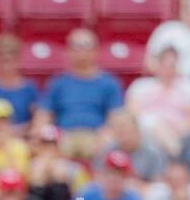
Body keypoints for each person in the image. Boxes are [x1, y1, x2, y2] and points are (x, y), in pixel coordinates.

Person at [34, 29, 123, 161]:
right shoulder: (58, 83)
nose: (80, 52)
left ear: (96, 51)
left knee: (109, 141)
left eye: (85, 47)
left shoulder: (109, 83)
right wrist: (40, 134)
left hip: (95, 135)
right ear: (68, 51)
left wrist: (106, 133)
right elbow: (43, 115)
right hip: (64, 136)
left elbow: (116, 117)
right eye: (75, 47)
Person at [124, 46, 190, 156]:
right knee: (148, 121)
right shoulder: (140, 86)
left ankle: (175, 151)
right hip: (145, 136)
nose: (169, 70)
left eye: (172, 66)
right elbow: (133, 115)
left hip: (179, 134)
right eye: (165, 65)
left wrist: (172, 130)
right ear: (158, 65)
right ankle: (177, 154)